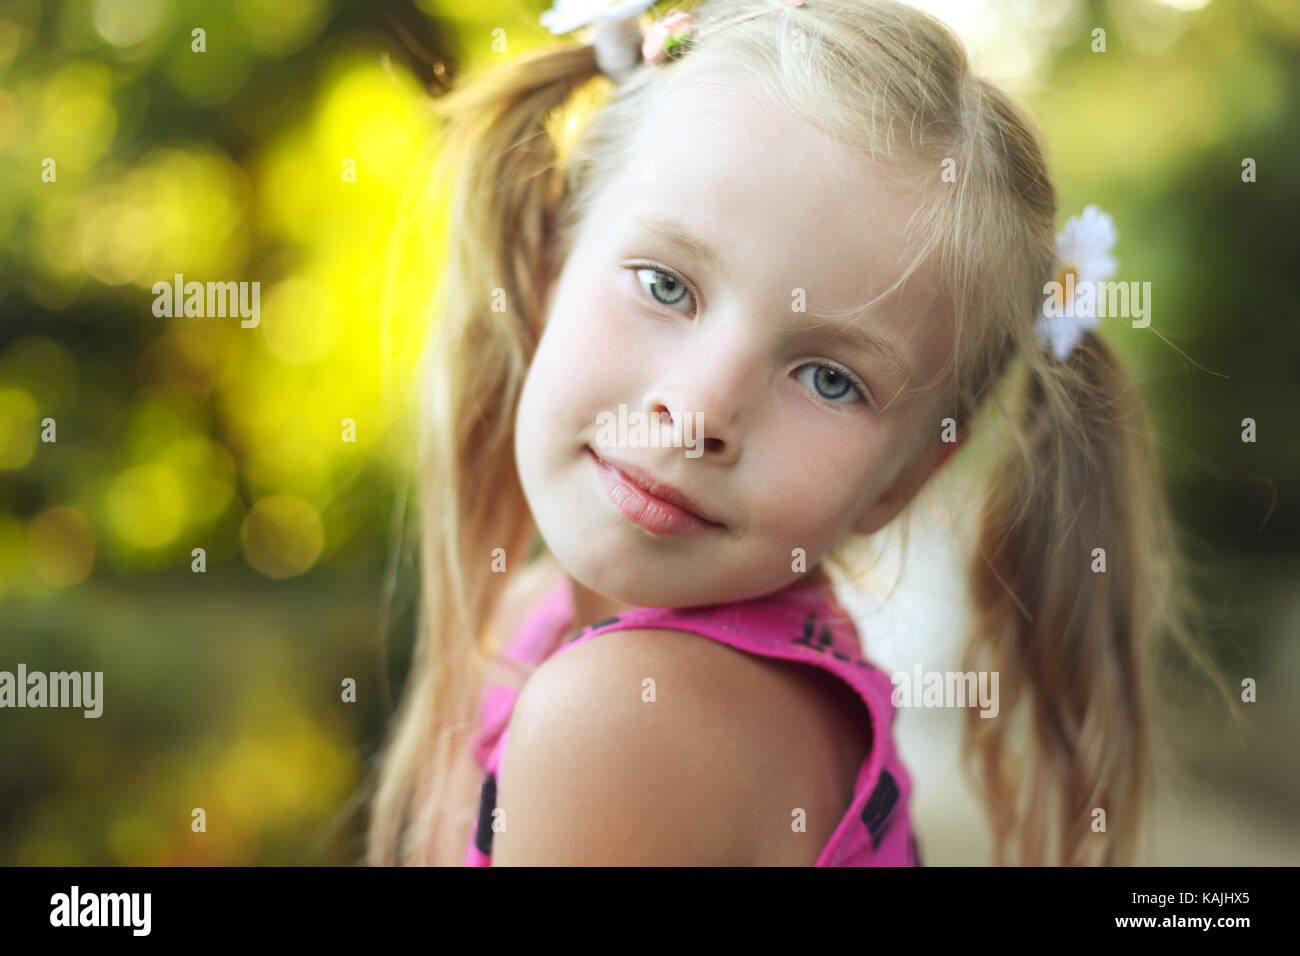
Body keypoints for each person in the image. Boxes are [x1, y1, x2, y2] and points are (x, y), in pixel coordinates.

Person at [367, 0, 1206, 866]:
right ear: (547, 267)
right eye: (664, 286)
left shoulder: (630, 719)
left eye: (830, 380)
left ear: (907, 475)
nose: (698, 415)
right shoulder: (528, 616)